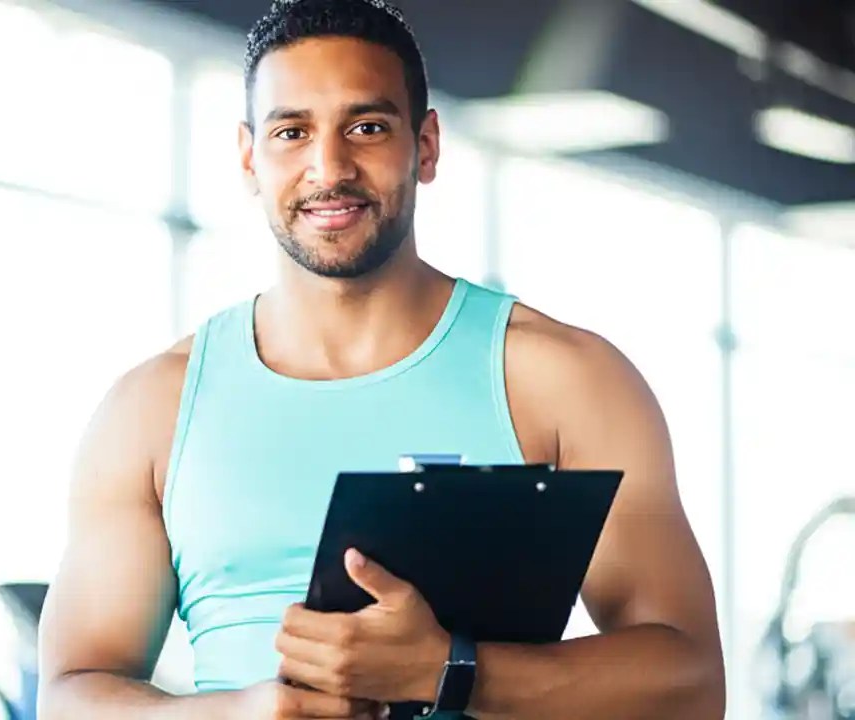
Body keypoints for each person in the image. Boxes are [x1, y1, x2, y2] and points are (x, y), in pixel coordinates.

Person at [36, 0, 726, 717]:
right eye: (291, 131)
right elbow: (71, 695)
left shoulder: (561, 380)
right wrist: (239, 713)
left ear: (425, 146)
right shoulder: (153, 408)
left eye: (366, 128)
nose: (328, 167)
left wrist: (450, 671)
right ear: (249, 158)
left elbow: (693, 684)